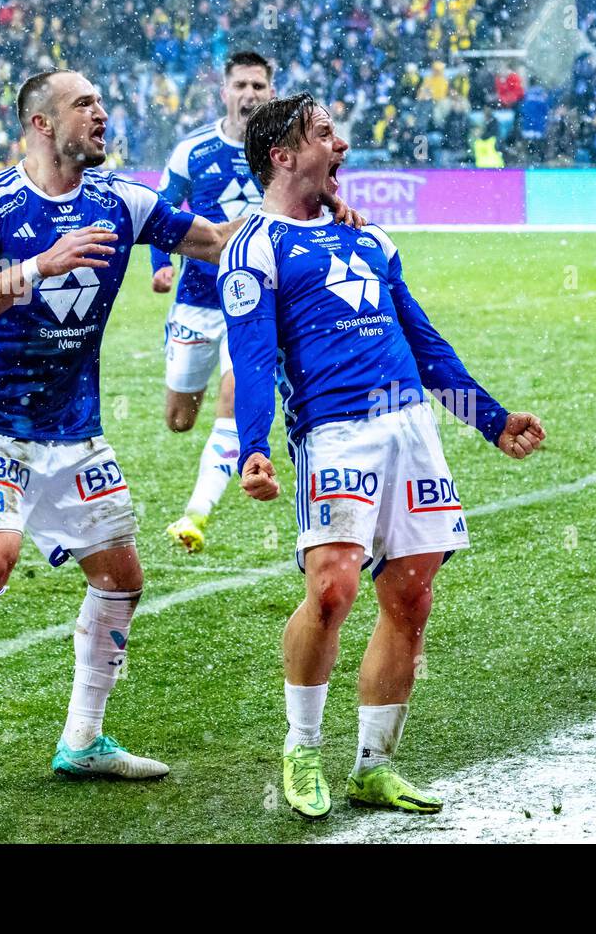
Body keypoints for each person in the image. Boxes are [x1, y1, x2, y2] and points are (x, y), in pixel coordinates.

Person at [0, 70, 360, 794]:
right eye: (84, 104)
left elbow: (213, 240)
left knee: (122, 579)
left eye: (102, 99)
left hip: (76, 429)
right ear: (39, 124)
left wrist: (300, 212)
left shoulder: (121, 200)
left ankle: (83, 739)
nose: (101, 111)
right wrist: (38, 265)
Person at [219, 93, 546, 819]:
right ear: (282, 155)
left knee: (410, 597)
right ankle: (302, 748)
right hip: (336, 431)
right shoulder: (253, 247)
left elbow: (425, 343)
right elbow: (250, 353)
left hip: (412, 430)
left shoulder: (371, 240)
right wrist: (254, 448)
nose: (342, 145)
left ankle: (373, 765)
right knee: (332, 589)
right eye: (325, 134)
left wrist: (490, 419)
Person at [152, 52, 275, 554]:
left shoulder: (280, 151)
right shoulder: (193, 151)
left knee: (232, 400)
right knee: (180, 420)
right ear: (224, 92)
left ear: (271, 92)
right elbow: (161, 210)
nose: (250, 94)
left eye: (259, 86)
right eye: (241, 85)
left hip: (251, 301)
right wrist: (160, 262)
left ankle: (195, 515)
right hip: (195, 300)